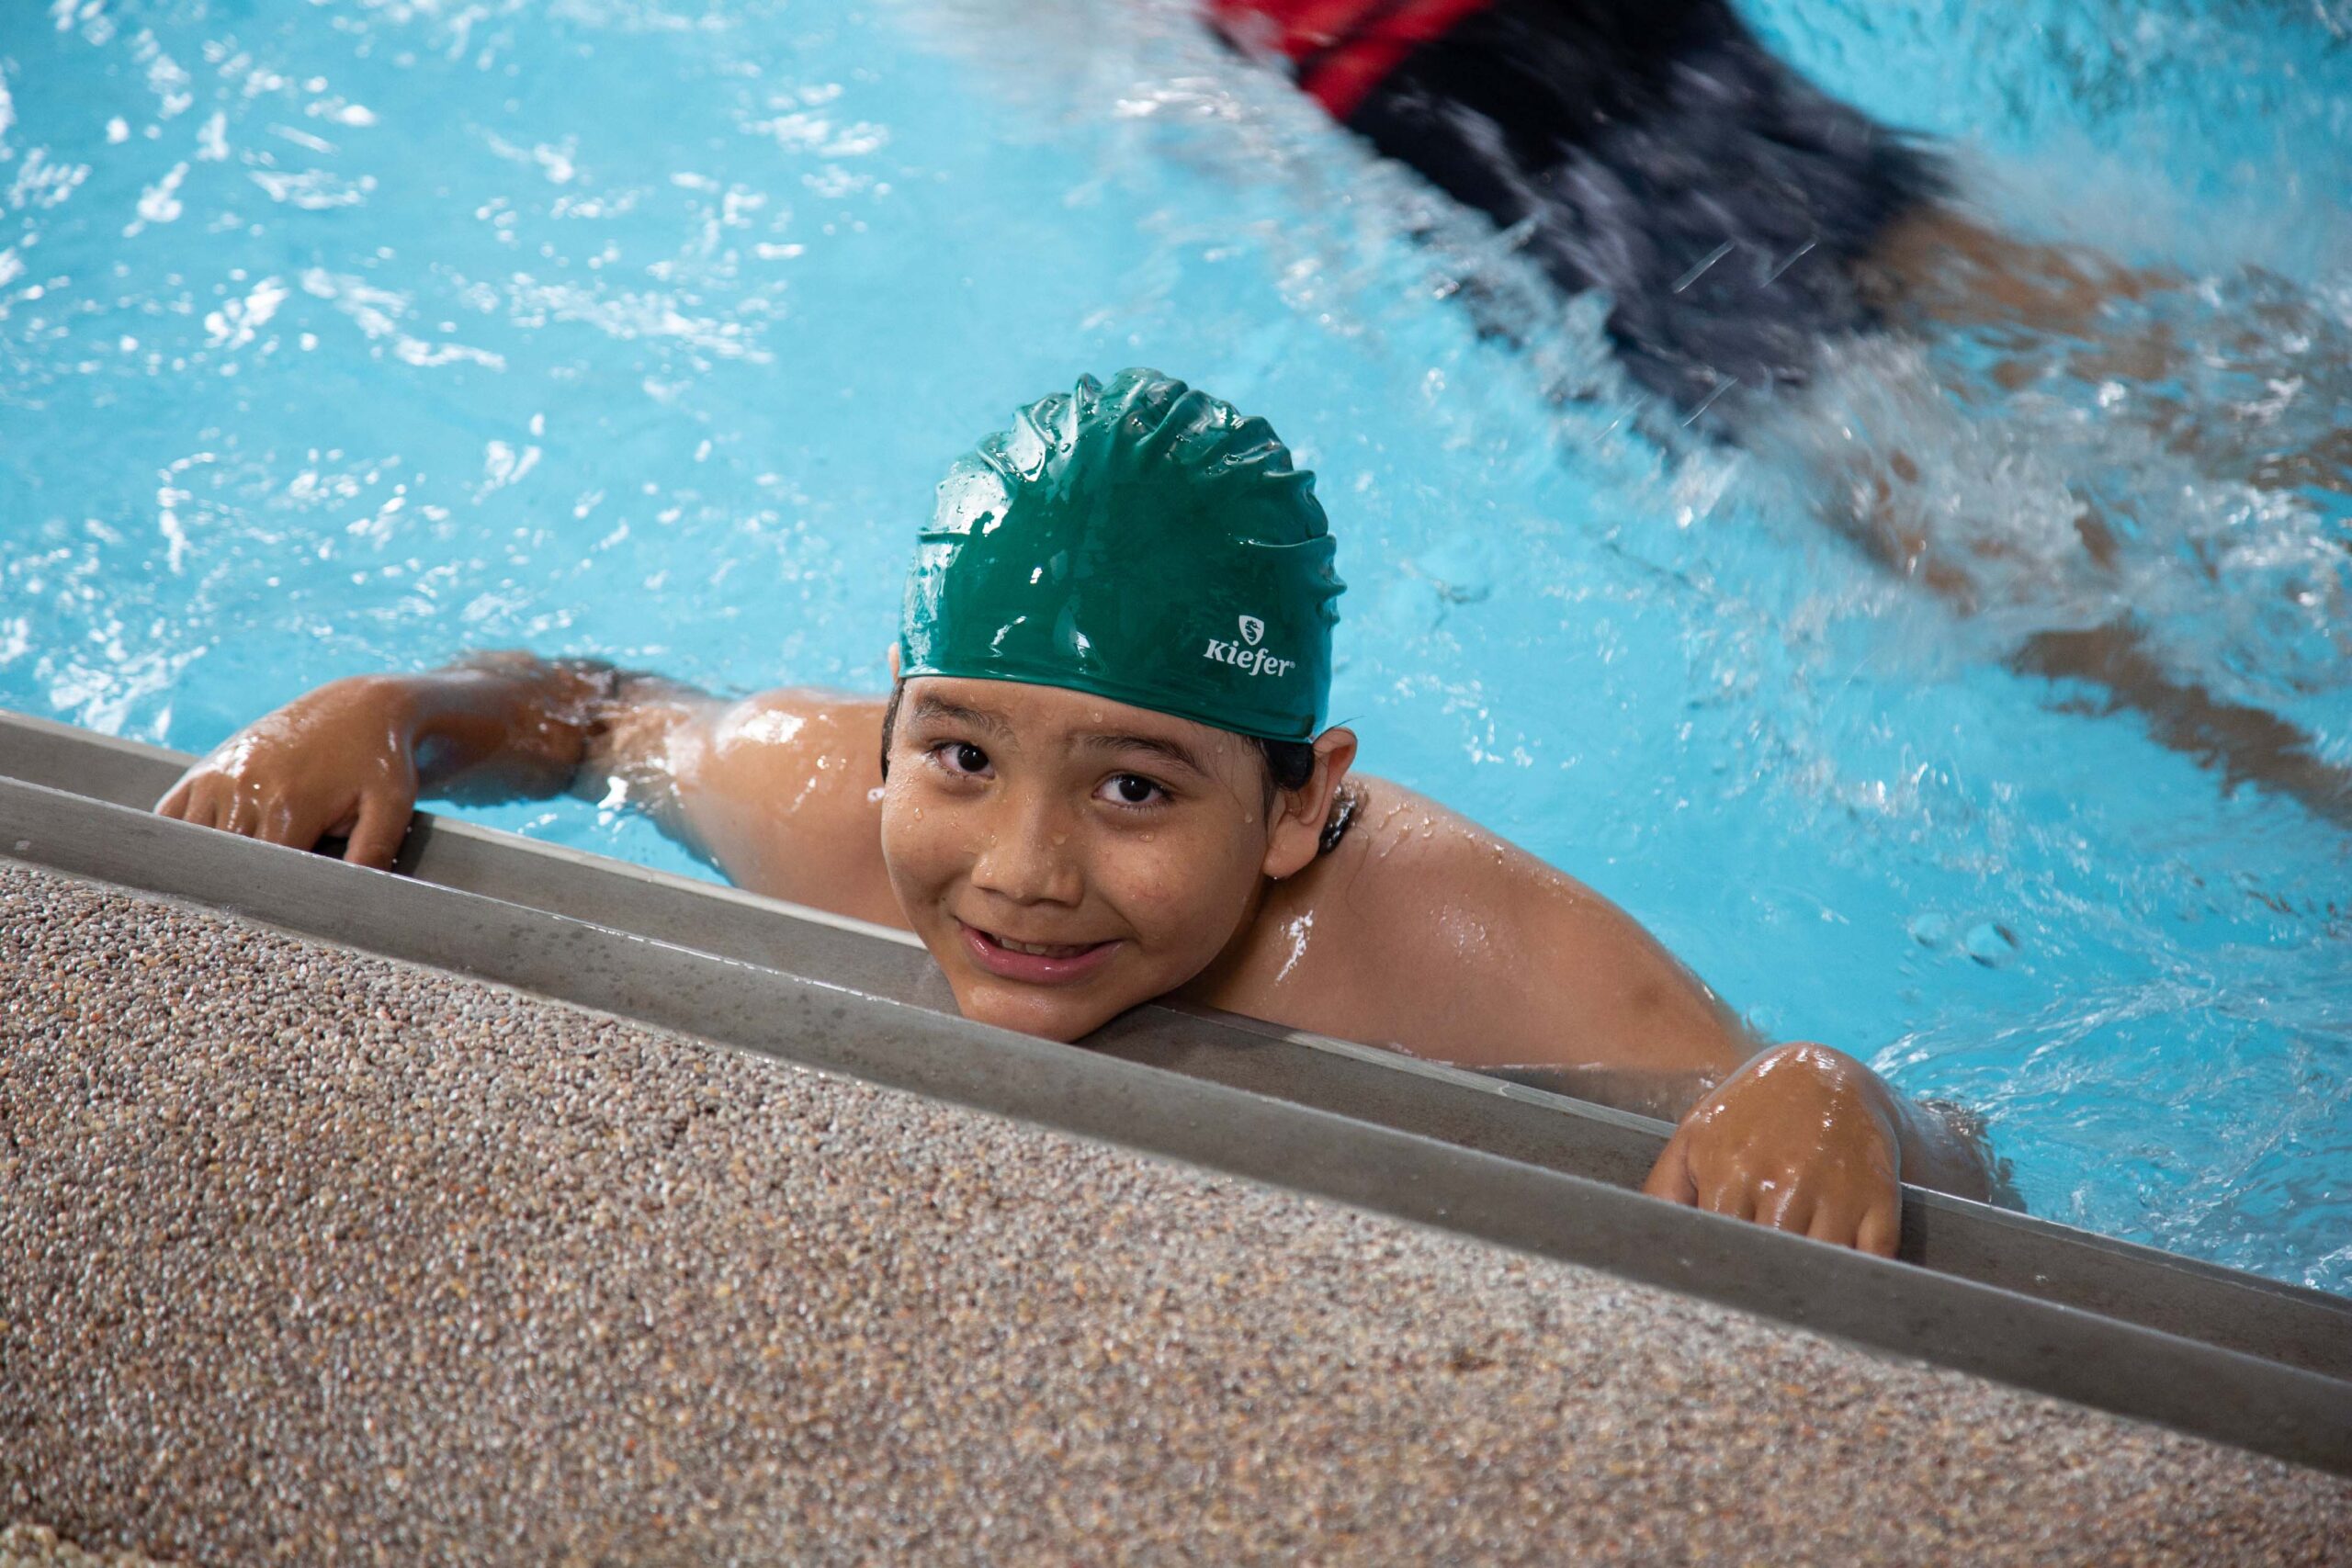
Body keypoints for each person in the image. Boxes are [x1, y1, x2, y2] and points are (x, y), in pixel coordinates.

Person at [157, 368, 1991, 1254]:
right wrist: (379, 710)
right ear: (894, 727)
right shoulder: (827, 804)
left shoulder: (1463, 945)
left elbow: (1896, 1144)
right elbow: (591, 712)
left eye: (1132, 784)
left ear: (1296, 803)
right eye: (958, 754)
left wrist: (1830, 1093)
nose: (1018, 868)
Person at [1205, 0, 2352, 829]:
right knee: (2039, 299)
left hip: (1477, 113)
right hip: (1633, 44)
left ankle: (2282, 763)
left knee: (1908, 508)